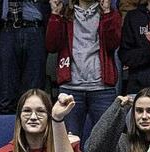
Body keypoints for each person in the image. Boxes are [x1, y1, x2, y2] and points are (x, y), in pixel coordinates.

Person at [45, 0, 122, 141]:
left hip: (102, 88)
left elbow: (113, 44)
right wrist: (55, 15)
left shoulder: (110, 12)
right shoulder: (64, 13)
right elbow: (52, 46)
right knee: (68, 143)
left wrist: (106, 13)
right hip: (70, 88)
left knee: (106, 143)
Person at [0, 0, 49, 113]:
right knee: (6, 96)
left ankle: (32, 129)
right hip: (6, 29)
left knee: (33, 96)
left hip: (35, 29)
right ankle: (5, 129)